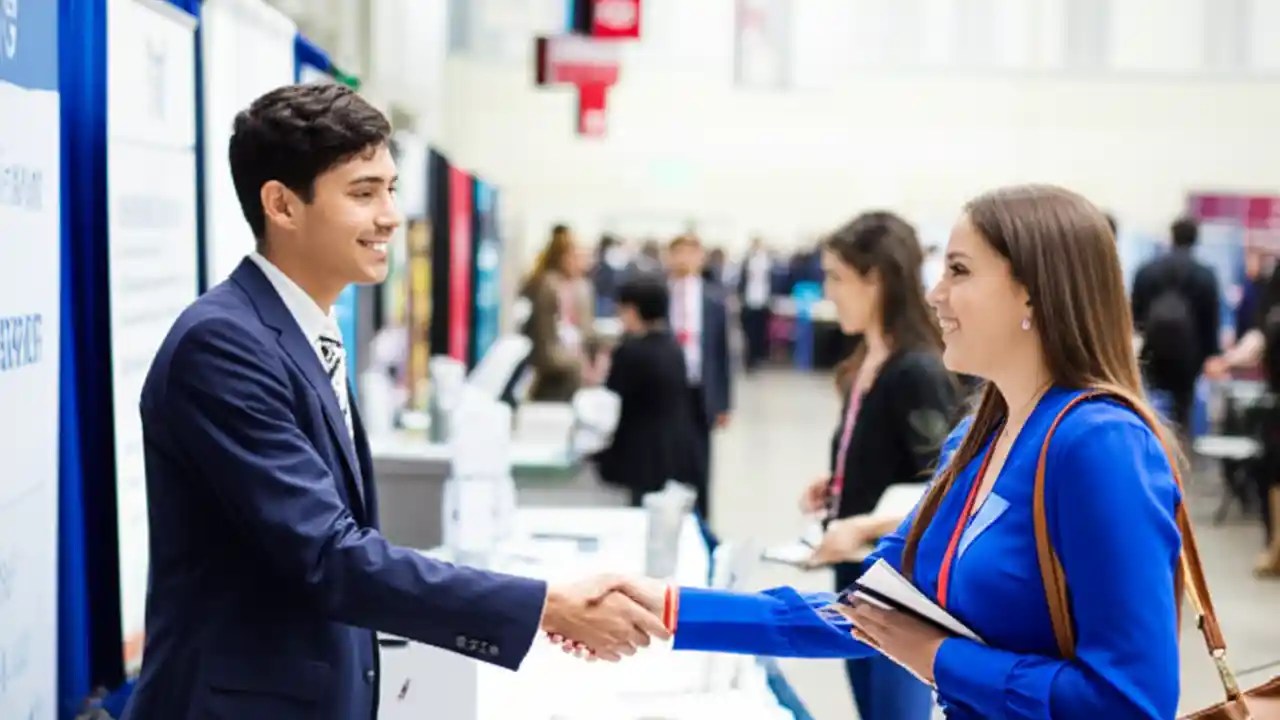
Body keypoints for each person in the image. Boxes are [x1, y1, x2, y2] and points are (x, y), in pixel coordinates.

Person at [122, 84, 667, 720]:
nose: (389, 215)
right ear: (282, 205)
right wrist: (545, 604)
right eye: (362, 192)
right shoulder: (223, 345)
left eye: (390, 188)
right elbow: (329, 556)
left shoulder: (304, 329)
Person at [562, 185, 1184, 719]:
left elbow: (1130, 701)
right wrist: (670, 607)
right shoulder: (980, 439)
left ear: (1032, 293)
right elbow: (866, 612)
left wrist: (939, 658)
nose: (935, 295)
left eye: (959, 272)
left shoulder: (1099, 445)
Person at [794, 212, 959, 720]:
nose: (829, 292)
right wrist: (841, 482)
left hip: (899, 590)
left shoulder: (917, 372)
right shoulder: (866, 362)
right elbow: (889, 457)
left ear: (877, 280)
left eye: (837, 278)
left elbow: (948, 490)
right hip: (857, 576)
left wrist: (864, 524)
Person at [593, 276, 701, 506]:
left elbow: (611, 398)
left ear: (632, 311)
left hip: (639, 454)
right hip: (673, 450)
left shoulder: (631, 352)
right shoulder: (674, 350)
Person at [1130, 216, 1220, 435]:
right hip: (1189, 355)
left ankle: (1152, 443)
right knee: (1183, 407)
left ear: (1171, 237)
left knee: (1149, 404)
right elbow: (1210, 318)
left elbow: (1136, 312)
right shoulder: (1205, 274)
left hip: (1152, 349)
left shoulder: (1147, 270)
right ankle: (1181, 454)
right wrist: (1211, 353)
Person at [667, 234, 733, 521]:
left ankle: (701, 520)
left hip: (700, 390)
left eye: (691, 253)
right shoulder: (660, 294)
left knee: (700, 463)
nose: (684, 259)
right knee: (668, 457)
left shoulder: (713, 300)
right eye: (678, 253)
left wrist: (724, 403)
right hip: (668, 389)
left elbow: (722, 354)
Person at [519, 224, 595, 401]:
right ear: (564, 257)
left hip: (573, 359)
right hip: (554, 367)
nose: (585, 262)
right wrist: (569, 362)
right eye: (578, 257)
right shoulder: (547, 286)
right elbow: (545, 334)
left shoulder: (582, 286)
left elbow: (584, 327)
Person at [737, 237, 774, 372]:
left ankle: (758, 356)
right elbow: (741, 282)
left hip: (763, 301)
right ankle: (749, 360)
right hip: (749, 301)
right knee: (749, 333)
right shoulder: (747, 261)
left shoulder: (768, 262)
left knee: (760, 332)